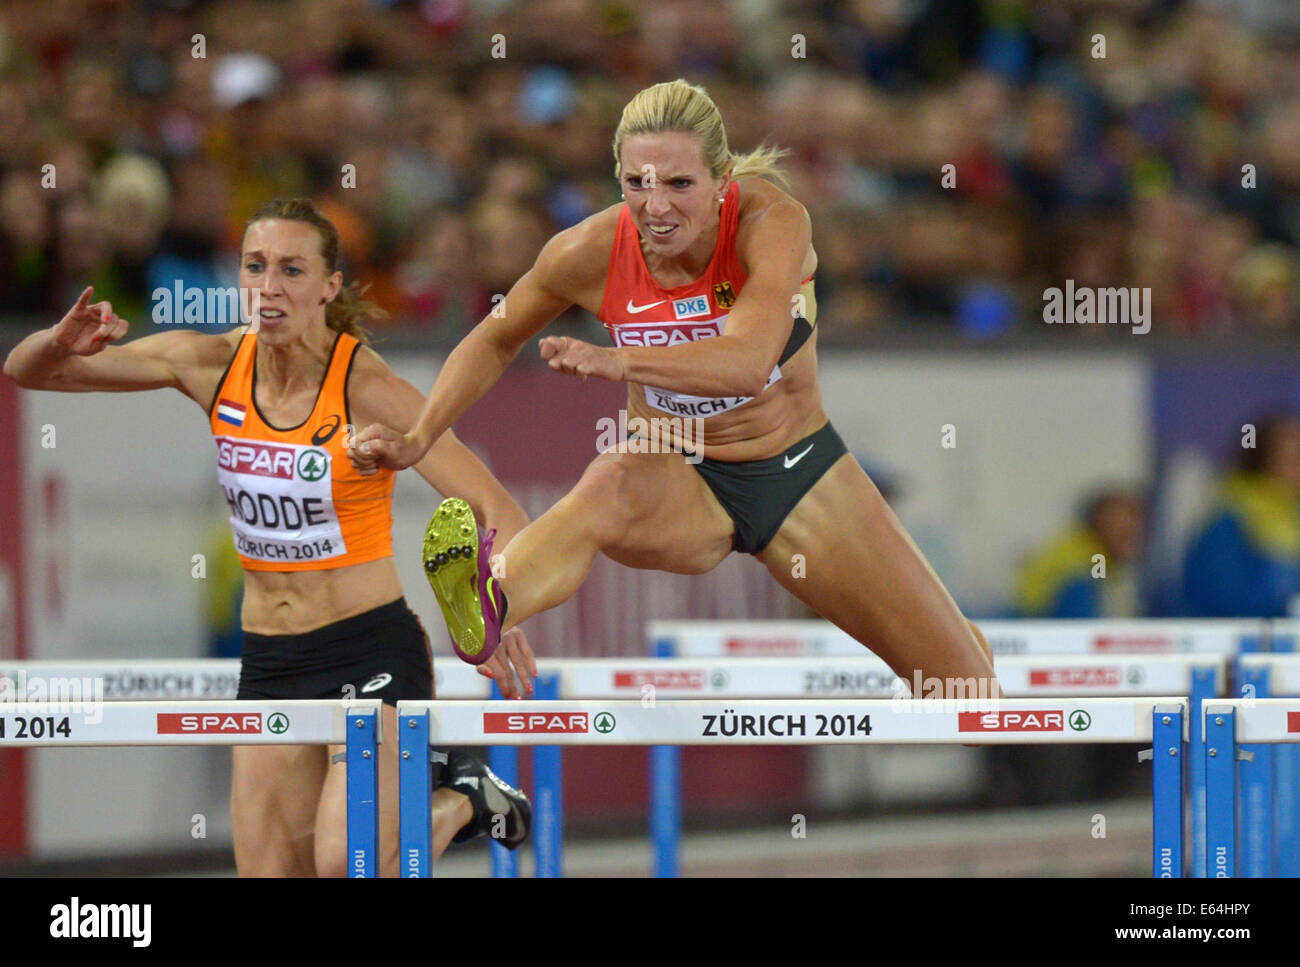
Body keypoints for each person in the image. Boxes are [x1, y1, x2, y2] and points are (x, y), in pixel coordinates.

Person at [351, 79, 997, 697]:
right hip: (677, 468)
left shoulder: (771, 222)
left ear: (723, 182)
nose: (656, 208)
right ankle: (490, 602)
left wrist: (625, 362)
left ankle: (963, 647)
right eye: (638, 184)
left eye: (680, 184)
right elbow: (494, 336)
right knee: (607, 482)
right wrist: (419, 433)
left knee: (967, 689)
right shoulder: (588, 250)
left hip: (797, 472)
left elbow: (746, 363)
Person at [3, 197, 538, 877]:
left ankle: (460, 798)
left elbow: (498, 508)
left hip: (366, 648)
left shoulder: (365, 385)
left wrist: (497, 609)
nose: (270, 286)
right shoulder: (208, 363)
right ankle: (456, 785)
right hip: (269, 661)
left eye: (291, 269)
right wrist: (58, 340)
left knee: (348, 862)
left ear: (328, 286)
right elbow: (26, 369)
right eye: (255, 266)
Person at [1183, 412, 1300, 617]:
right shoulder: (1230, 519)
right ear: (1263, 463)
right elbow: (1226, 599)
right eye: (1291, 460)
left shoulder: (1292, 516)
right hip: (1233, 642)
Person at [1016, 487, 1148, 618]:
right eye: (1122, 523)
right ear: (1098, 522)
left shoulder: (1078, 546)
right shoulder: (1094, 560)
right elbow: (1086, 623)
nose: (1133, 527)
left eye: (1136, 517)